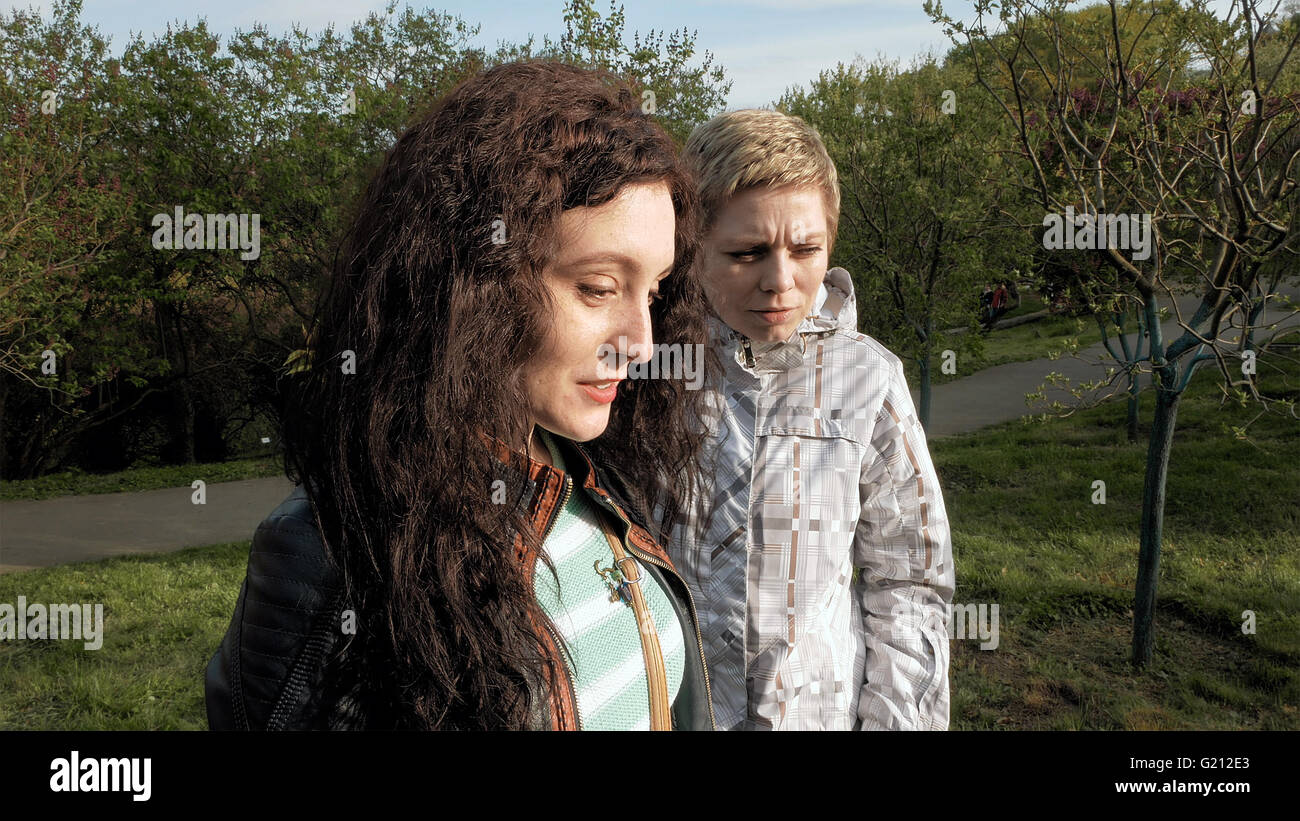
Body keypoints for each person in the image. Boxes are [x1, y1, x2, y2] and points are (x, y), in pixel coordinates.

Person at [205, 60, 717, 731]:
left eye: (652, 292)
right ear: (475, 281)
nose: (642, 342)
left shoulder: (594, 472)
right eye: (597, 287)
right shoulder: (332, 554)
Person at [669, 108, 955, 730]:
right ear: (689, 246)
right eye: (746, 252)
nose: (780, 281)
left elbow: (910, 584)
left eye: (805, 249)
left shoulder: (869, 380)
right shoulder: (644, 372)